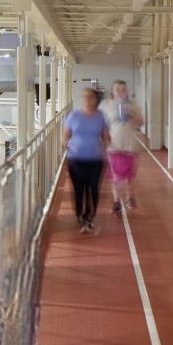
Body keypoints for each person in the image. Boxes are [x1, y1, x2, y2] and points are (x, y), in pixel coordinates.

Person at [62, 84, 110, 235]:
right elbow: (65, 136)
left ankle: (89, 216)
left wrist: (107, 144)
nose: (87, 100)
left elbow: (106, 136)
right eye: (84, 97)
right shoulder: (74, 116)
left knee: (93, 189)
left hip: (95, 159)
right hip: (76, 159)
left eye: (90, 97)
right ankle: (79, 214)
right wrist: (66, 146)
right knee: (78, 190)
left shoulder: (100, 116)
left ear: (96, 100)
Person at [105, 80, 144, 216]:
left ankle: (130, 197)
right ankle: (116, 202)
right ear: (113, 92)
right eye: (117, 89)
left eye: (123, 89)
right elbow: (103, 124)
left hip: (130, 146)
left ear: (127, 91)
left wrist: (131, 115)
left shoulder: (132, 105)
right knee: (115, 177)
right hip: (114, 146)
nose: (121, 92)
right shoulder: (107, 106)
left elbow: (141, 122)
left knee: (129, 177)